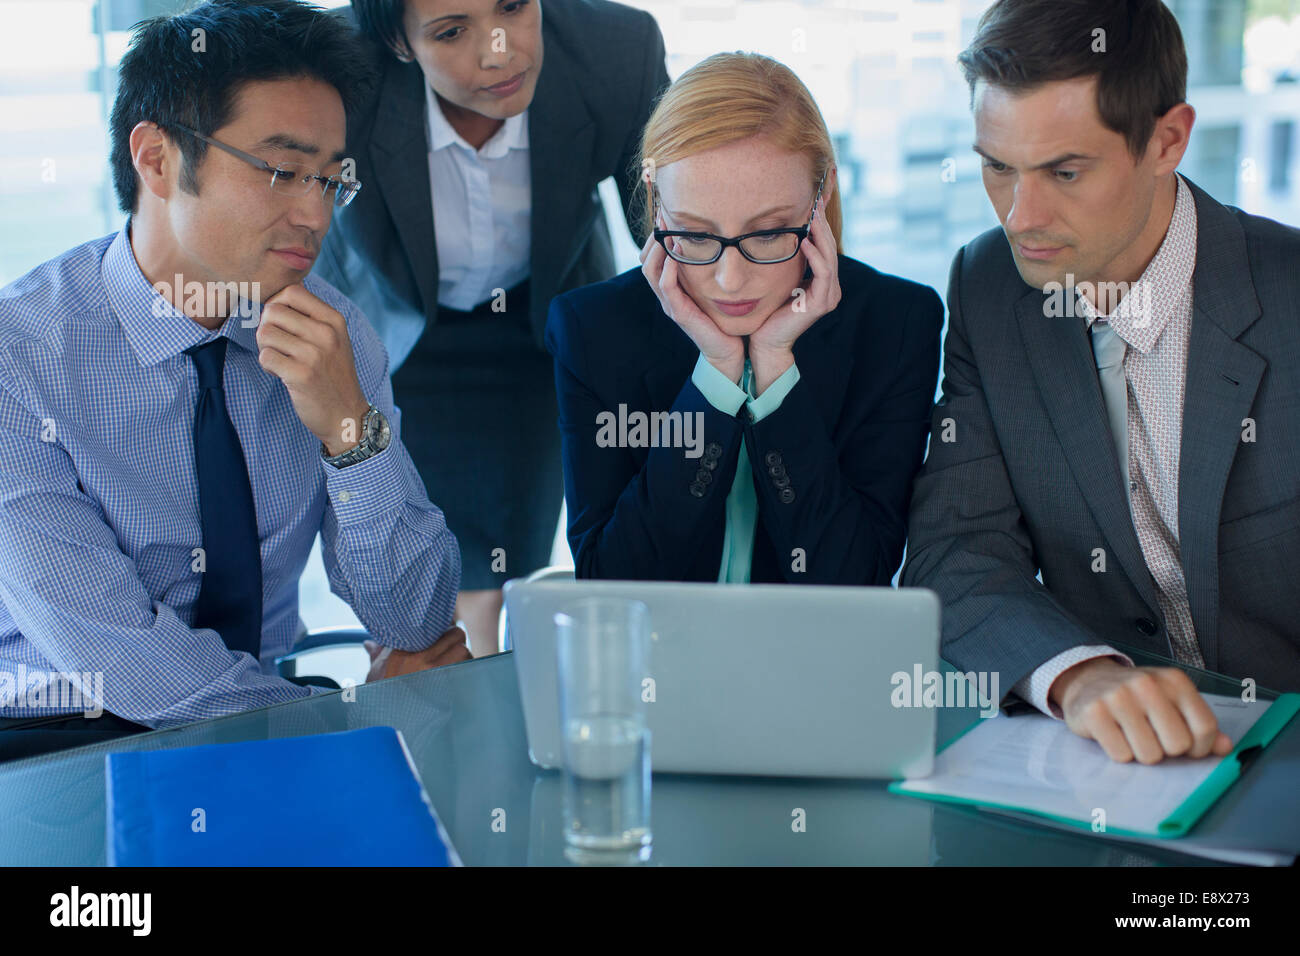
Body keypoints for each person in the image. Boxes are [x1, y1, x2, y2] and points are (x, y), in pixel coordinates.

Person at [0, 0, 468, 763]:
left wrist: (350, 432)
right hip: (57, 744)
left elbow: (417, 624)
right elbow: (120, 660)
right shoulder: (17, 358)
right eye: (282, 171)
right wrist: (352, 720)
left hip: (270, 719)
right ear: (155, 158)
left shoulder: (334, 337)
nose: (315, 214)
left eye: (330, 180)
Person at [902, 0, 1300, 764]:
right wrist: (1079, 676)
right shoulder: (989, 287)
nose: (1021, 217)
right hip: (1109, 771)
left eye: (1065, 171)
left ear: (1167, 140)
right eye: (997, 167)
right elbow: (958, 548)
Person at [315, 0, 671, 655]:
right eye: (452, 32)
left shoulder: (618, 53)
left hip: (537, 323)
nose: (500, 51)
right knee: (412, 589)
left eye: (513, 6)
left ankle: (494, 700)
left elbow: (672, 233)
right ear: (397, 41)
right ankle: (438, 704)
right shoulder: (331, 66)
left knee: (506, 565)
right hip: (397, 329)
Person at [546, 53, 943, 585]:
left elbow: (852, 579)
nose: (730, 280)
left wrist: (775, 367)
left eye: (767, 234)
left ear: (819, 198)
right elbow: (612, 582)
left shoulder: (897, 325)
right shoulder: (592, 329)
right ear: (658, 209)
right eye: (695, 234)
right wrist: (715, 379)